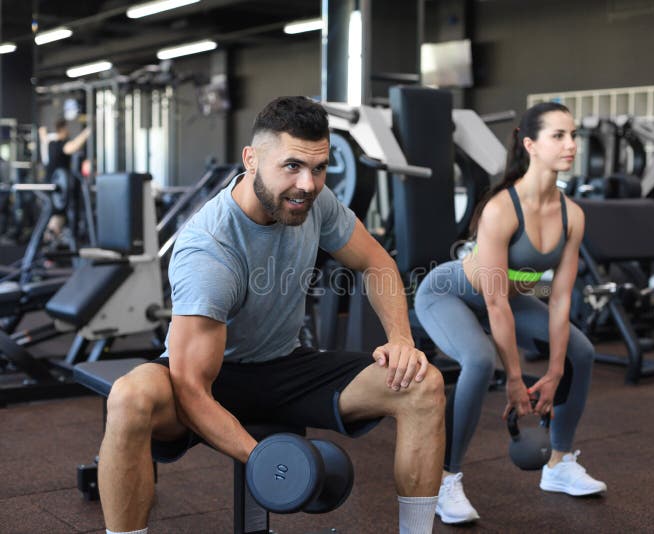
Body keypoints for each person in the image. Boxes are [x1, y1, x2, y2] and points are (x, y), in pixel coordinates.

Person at [97, 96, 445, 534]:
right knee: (129, 398)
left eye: (319, 168)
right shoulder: (209, 249)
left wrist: (400, 339)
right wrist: (263, 458)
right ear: (252, 159)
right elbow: (190, 387)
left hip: (285, 365)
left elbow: (376, 262)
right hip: (209, 379)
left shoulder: (314, 201)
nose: (307, 183)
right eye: (292, 166)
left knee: (422, 384)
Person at [414, 102, 606, 525]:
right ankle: (444, 480)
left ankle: (558, 464)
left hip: (512, 296)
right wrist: (516, 382)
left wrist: (554, 373)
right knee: (480, 360)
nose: (571, 145)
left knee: (582, 352)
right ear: (531, 144)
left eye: (573, 135)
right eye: (559, 136)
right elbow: (495, 303)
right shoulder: (502, 208)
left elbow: (559, 297)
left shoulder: (572, 215)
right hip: (450, 294)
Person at [38, 118, 91, 240]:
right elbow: (72, 147)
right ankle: (50, 247)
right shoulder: (57, 144)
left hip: (56, 186)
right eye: (67, 128)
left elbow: (43, 135)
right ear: (62, 129)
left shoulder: (50, 142)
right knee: (57, 217)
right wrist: (87, 132)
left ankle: (50, 245)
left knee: (57, 218)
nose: (69, 131)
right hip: (57, 188)